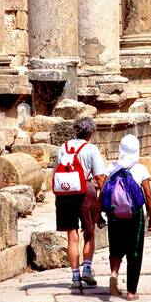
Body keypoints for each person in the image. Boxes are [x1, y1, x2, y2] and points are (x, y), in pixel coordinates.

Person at [51, 117, 107, 290]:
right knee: (89, 232)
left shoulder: (64, 147)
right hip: (85, 191)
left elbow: (55, 171)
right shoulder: (91, 149)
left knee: (72, 235)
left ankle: (75, 276)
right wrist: (103, 197)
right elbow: (99, 176)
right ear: (90, 132)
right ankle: (87, 269)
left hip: (65, 193)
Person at [104, 133, 151, 300]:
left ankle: (114, 273)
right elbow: (148, 195)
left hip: (114, 214)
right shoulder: (140, 169)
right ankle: (131, 291)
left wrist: (99, 213)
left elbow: (103, 192)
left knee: (116, 246)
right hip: (134, 216)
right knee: (134, 252)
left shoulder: (111, 168)